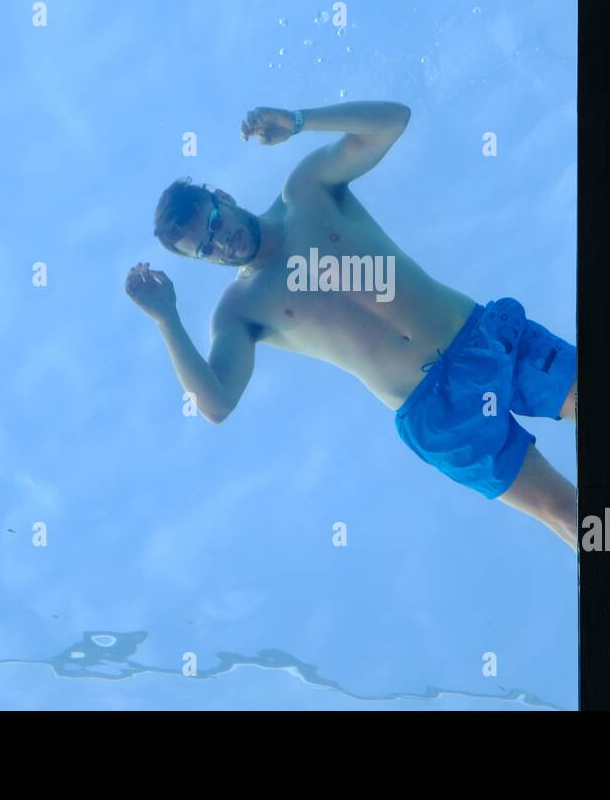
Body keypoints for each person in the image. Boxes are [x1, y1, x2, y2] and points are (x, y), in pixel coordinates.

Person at [127, 101, 579, 548]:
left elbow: (392, 122)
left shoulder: (304, 193)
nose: (220, 240)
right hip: (437, 413)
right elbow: (216, 403)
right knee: (563, 512)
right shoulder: (240, 310)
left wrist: (300, 122)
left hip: (483, 338)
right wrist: (166, 317)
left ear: (221, 198)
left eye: (213, 222)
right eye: (204, 248)